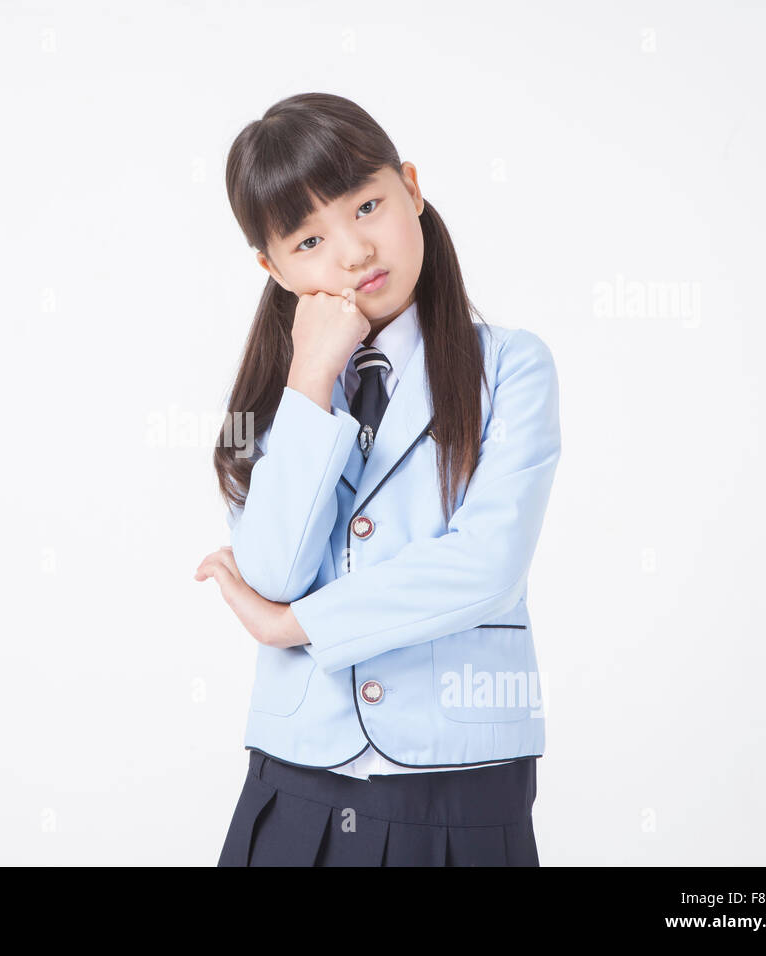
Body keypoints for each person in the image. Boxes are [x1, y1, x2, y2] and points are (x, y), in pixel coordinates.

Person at [195, 92, 561, 866]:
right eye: (308, 240)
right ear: (272, 267)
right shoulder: (275, 400)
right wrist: (309, 378)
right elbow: (272, 571)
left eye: (368, 205)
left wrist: (292, 627)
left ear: (413, 189)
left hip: (461, 785)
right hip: (296, 786)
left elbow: (486, 565)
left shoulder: (511, 367)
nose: (355, 251)